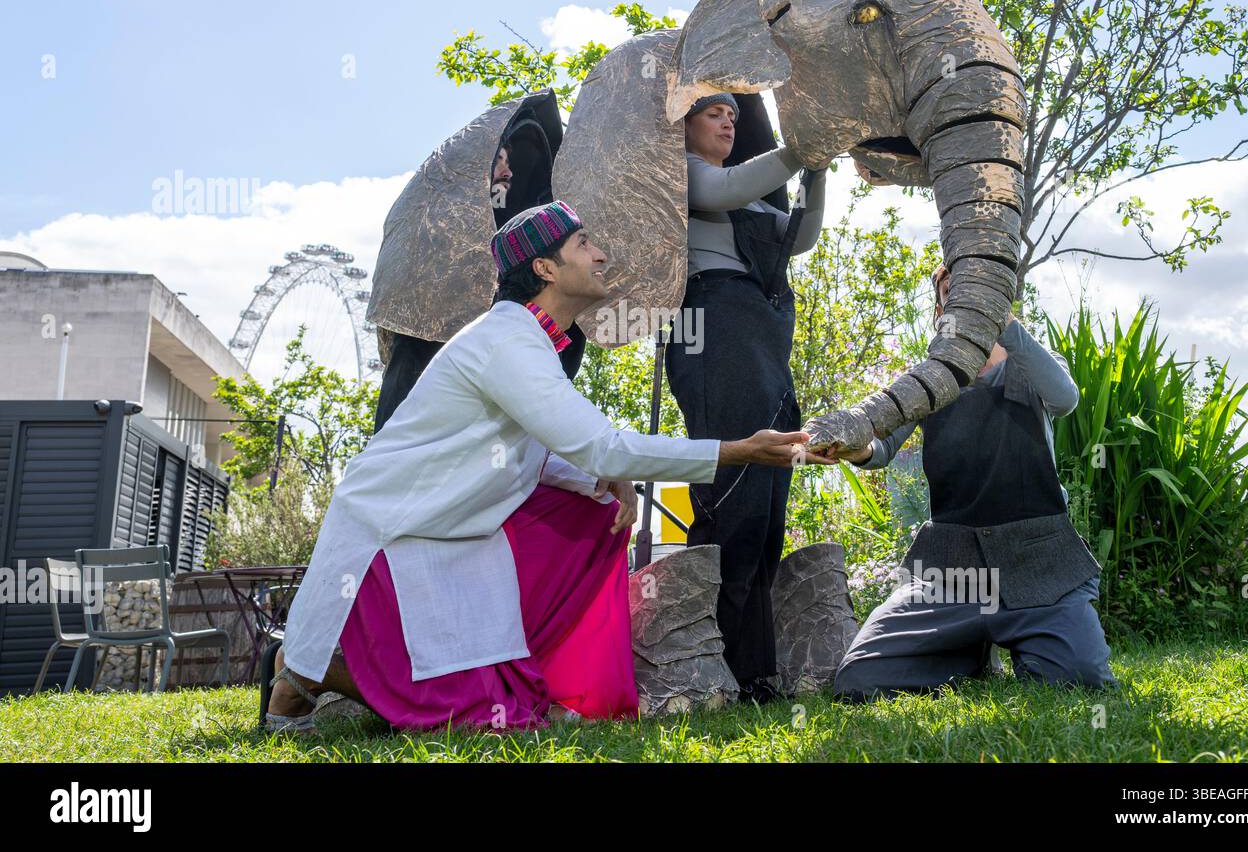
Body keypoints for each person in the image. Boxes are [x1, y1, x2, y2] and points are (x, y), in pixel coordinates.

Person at [264, 200, 832, 733]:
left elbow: (542, 453)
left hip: (442, 527)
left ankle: (331, 666)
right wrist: (738, 450)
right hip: (389, 534)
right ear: (546, 267)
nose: (601, 255)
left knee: (584, 523)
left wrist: (605, 480)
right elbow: (600, 445)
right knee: (475, 714)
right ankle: (306, 670)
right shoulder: (508, 341)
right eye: (585, 244)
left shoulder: (529, 342)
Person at [822, 264, 1116, 700]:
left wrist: (1005, 323)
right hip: (950, 573)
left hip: (1039, 568)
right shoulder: (927, 379)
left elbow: (1065, 398)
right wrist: (856, 448)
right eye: (950, 289)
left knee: (1081, 679)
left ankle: (1022, 640)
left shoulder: (1033, 364)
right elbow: (880, 450)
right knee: (860, 680)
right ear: (940, 308)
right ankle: (970, 650)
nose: (962, 295)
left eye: (975, 286)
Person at [665, 92, 827, 704]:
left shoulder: (751, 190)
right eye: (713, 112)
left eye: (733, 112)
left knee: (767, 499)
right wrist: (798, 148)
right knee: (731, 494)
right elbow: (720, 191)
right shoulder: (683, 172)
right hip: (714, 327)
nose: (729, 118)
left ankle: (753, 669)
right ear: (684, 124)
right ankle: (710, 659)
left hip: (761, 327)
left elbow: (802, 237)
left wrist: (813, 170)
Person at [373, 132, 586, 432]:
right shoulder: (431, 245)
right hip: (421, 381)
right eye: (498, 160)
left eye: (510, 162)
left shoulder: (527, 257)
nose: (507, 170)